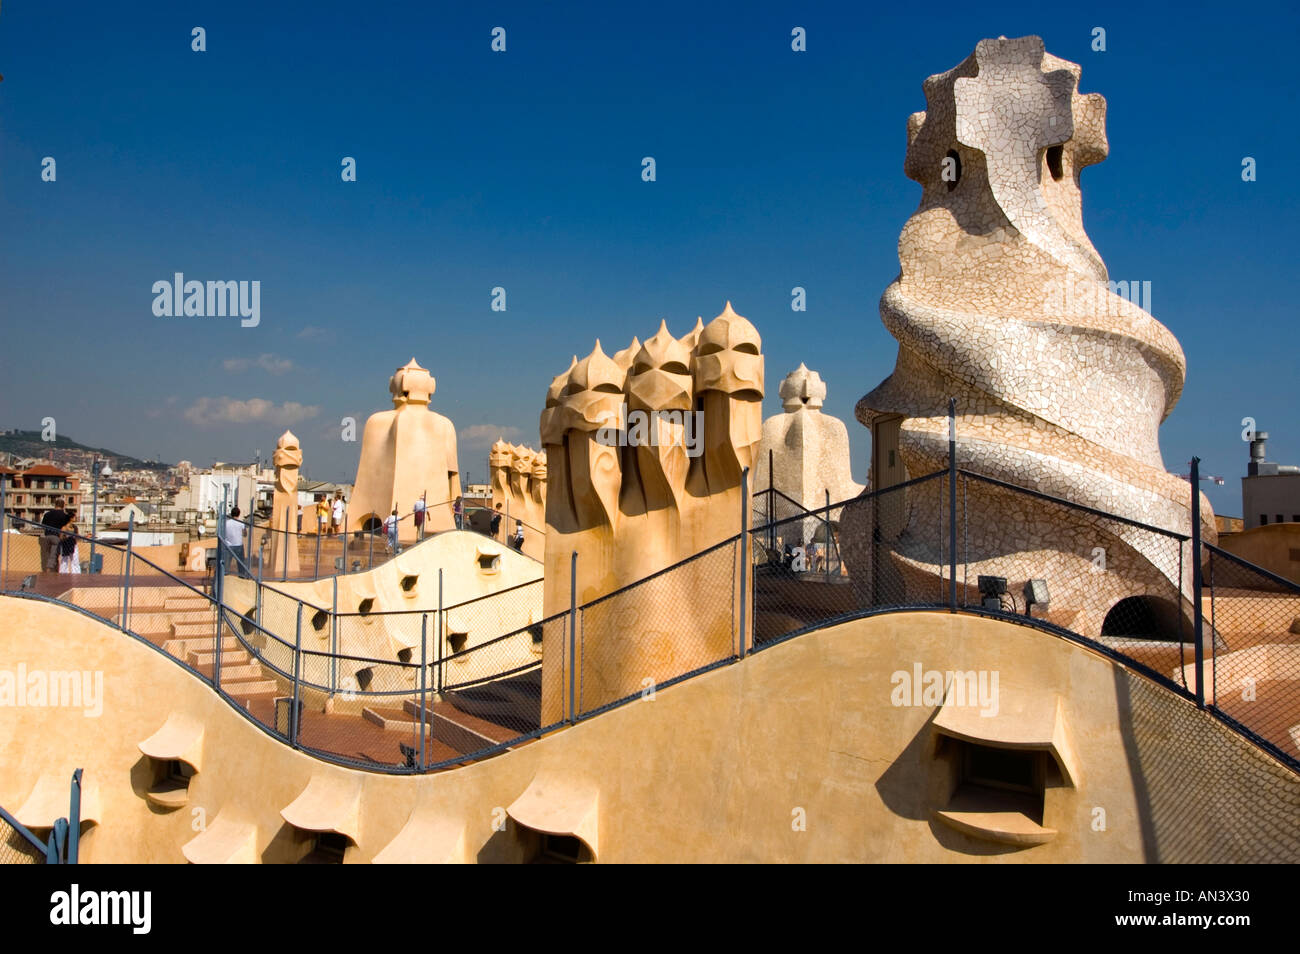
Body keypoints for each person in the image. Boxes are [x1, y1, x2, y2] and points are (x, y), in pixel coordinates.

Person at [40, 498, 72, 571]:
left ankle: (54, 570)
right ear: (63, 506)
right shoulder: (64, 515)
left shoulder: (47, 514)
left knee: (47, 554)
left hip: (47, 536)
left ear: (55, 505)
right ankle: (49, 570)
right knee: (54, 555)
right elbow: (65, 527)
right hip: (57, 537)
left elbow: (43, 525)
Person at [224, 506, 246, 577]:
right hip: (239, 545)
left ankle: (225, 577)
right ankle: (242, 577)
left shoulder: (227, 523)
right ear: (239, 514)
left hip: (228, 545)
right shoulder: (241, 523)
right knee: (241, 564)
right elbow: (245, 534)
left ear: (231, 514)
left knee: (226, 565)